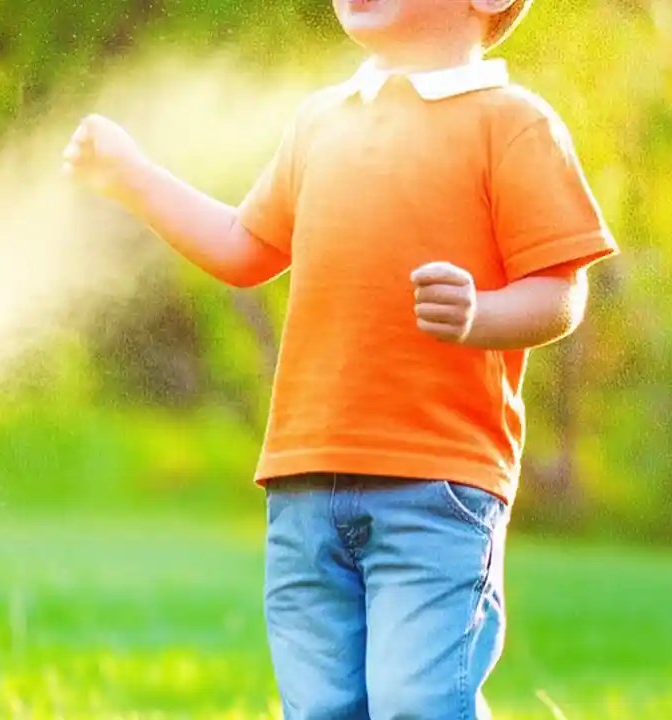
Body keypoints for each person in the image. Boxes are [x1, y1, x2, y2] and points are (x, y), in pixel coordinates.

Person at [62, 1, 618, 717]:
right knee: (321, 708)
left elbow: (560, 294)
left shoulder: (513, 121)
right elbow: (241, 248)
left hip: (437, 484)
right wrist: (133, 178)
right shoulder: (320, 122)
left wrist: (481, 313)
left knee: (418, 702)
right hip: (302, 484)